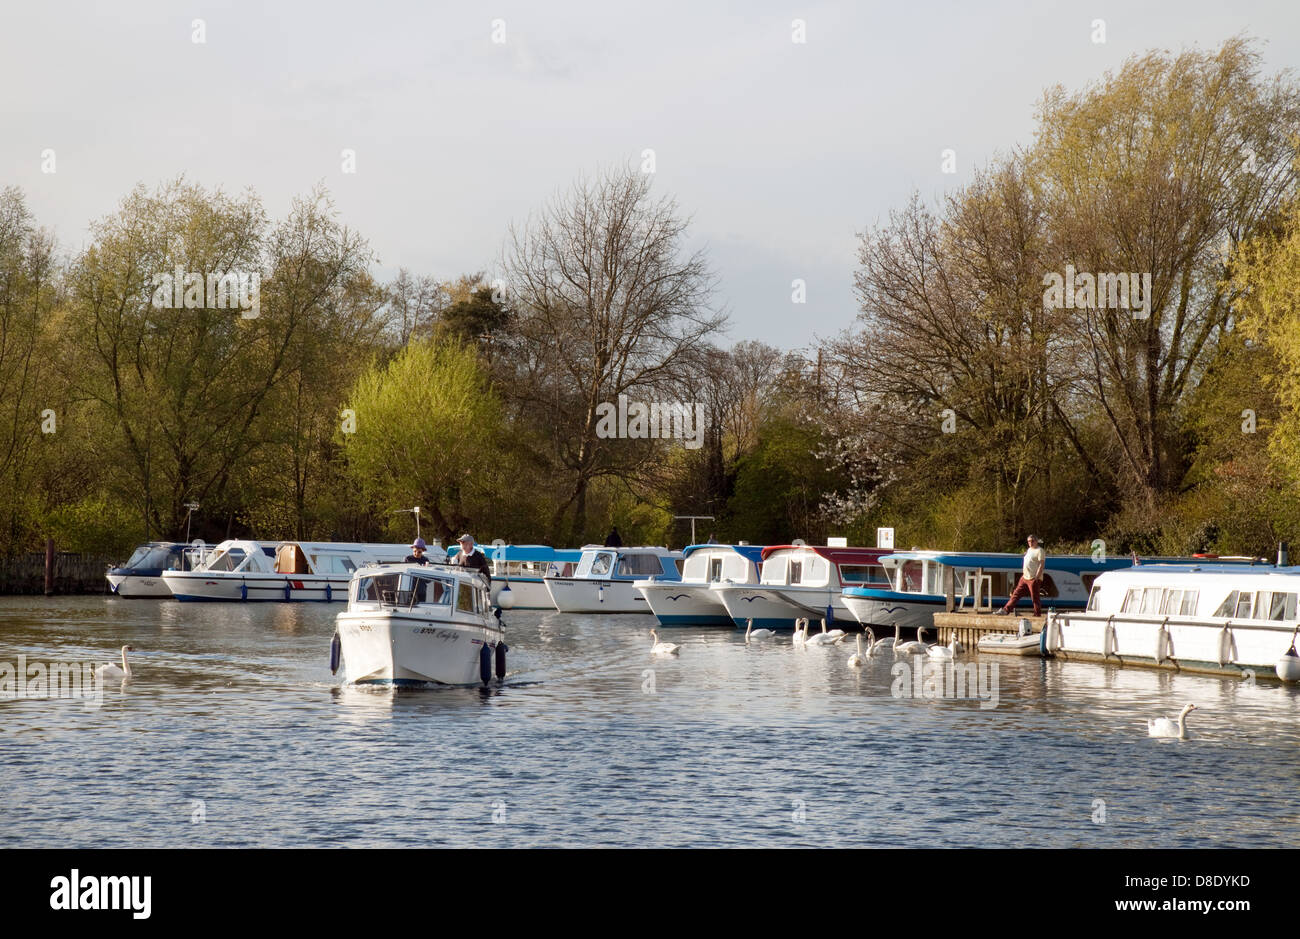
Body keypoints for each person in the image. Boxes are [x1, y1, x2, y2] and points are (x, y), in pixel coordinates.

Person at [997, 534, 1045, 616]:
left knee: (1035, 597)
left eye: (1032, 541)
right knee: (1016, 594)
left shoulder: (1040, 550)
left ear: (1036, 541)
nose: (1030, 542)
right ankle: (1006, 610)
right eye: (1029, 541)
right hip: (1025, 577)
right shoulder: (1029, 550)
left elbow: (1041, 564)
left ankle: (1037, 614)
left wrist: (1037, 576)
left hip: (1033, 578)